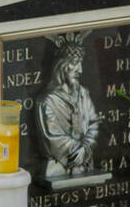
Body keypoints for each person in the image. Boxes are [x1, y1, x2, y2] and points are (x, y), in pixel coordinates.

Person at [36, 32, 102, 181]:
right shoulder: (48, 101)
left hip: (85, 167)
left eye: (81, 62)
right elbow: (53, 137)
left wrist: (85, 148)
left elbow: (94, 124)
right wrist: (77, 153)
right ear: (62, 66)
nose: (80, 69)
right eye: (75, 62)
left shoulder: (83, 94)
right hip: (58, 171)